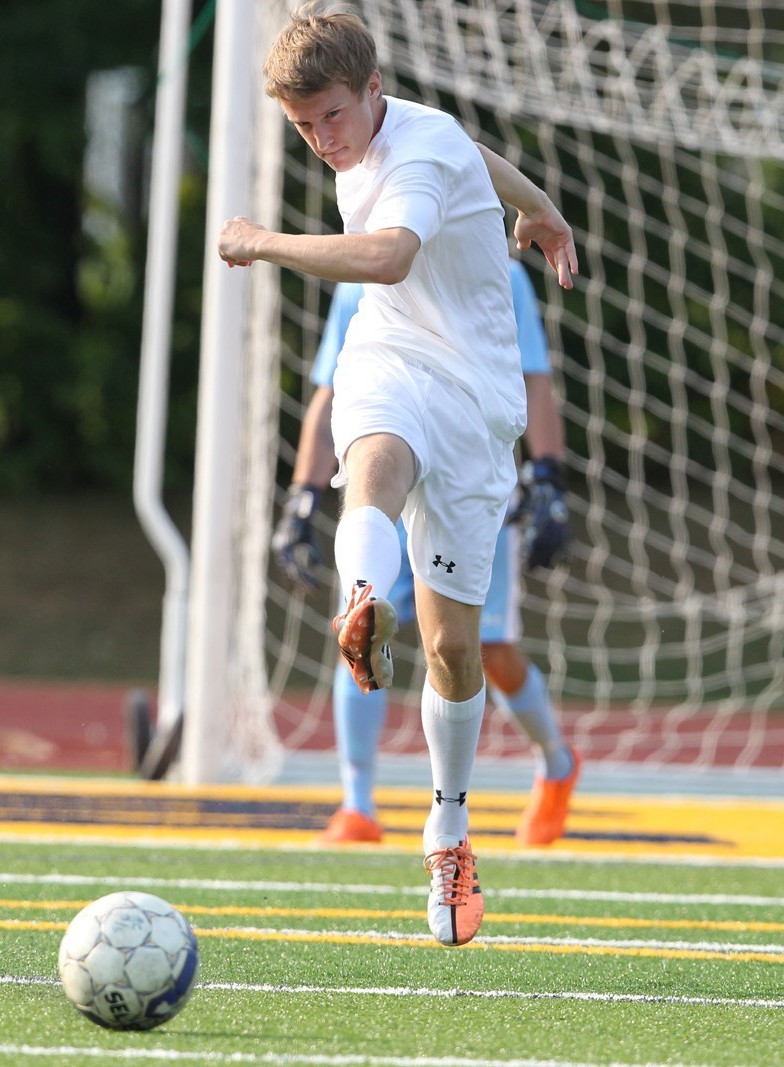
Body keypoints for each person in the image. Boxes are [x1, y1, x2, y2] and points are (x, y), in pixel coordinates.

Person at [217, 3, 577, 947]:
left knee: (455, 650)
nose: (321, 140)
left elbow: (388, 254)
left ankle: (449, 826)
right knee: (369, 460)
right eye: (302, 126)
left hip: (479, 403)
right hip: (392, 361)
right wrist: (535, 204)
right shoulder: (394, 127)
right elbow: (481, 157)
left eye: (331, 117)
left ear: (372, 93)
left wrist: (264, 242)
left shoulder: (414, 152)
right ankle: (362, 593)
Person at [272, 261, 581, 851]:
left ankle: (557, 762)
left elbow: (533, 378)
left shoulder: (498, 271)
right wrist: (303, 497)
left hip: (470, 478)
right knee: (361, 627)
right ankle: (357, 805)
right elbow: (331, 391)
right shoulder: (360, 270)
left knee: (482, 651)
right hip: (386, 475)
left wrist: (549, 479)